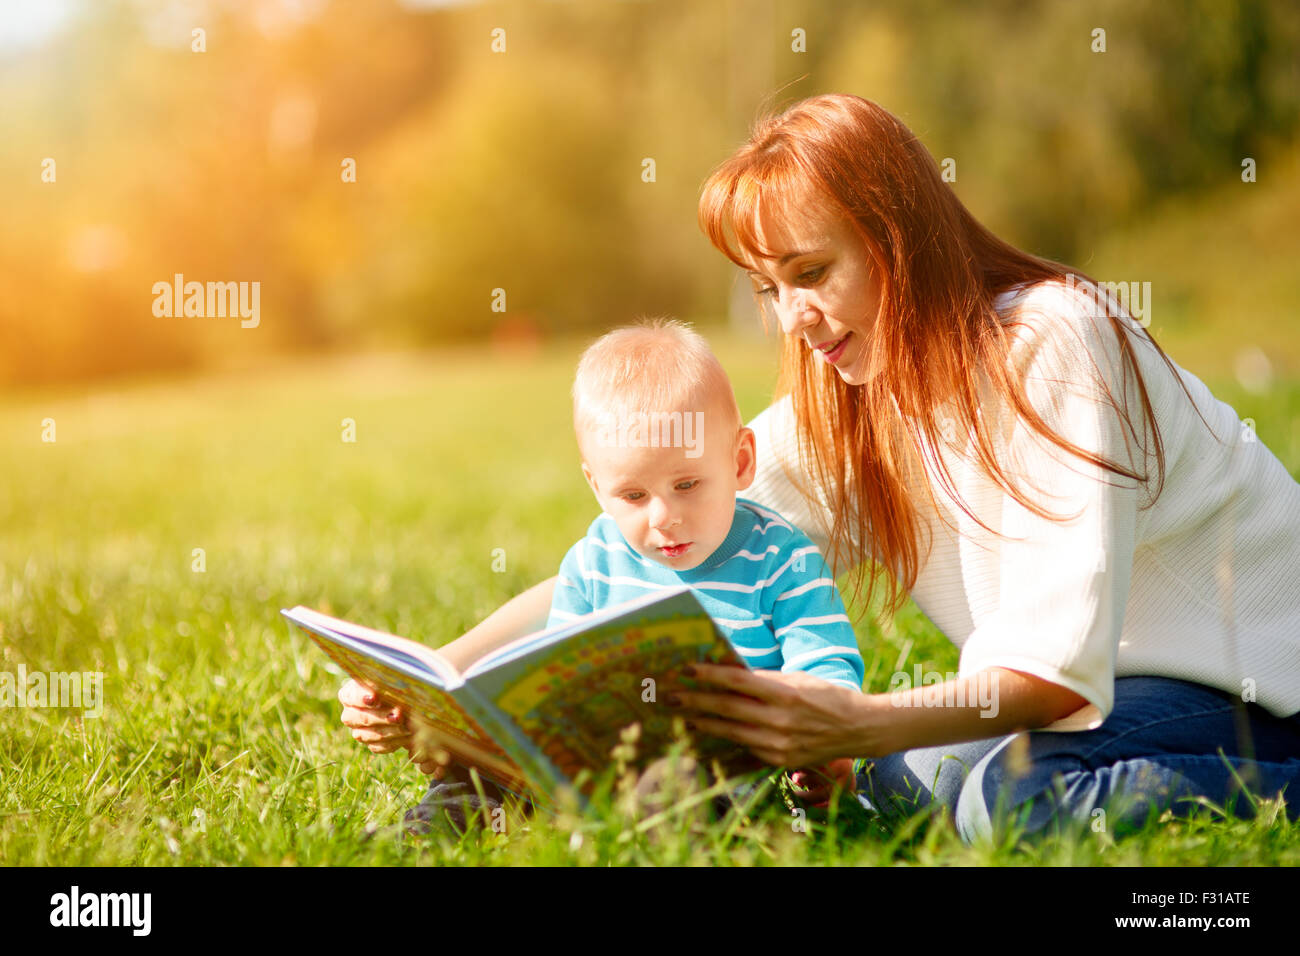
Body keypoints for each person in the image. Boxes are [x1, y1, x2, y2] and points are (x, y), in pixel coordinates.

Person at [345, 93, 1300, 843]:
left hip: (1244, 687)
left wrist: (856, 720)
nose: (793, 317)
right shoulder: (850, 390)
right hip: (1099, 701)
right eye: (768, 288)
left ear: (898, 239)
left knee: (1003, 808)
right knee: (883, 792)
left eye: (811, 273)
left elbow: (1054, 678)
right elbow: (659, 556)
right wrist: (442, 671)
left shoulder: (1056, 343)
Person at [355, 319, 866, 832]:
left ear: (741, 461)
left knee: (672, 786)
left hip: (712, 775)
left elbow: (826, 667)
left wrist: (823, 751)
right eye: (633, 496)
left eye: (687, 484)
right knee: (476, 771)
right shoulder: (596, 556)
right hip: (588, 765)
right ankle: (427, 836)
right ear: (596, 485)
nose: (663, 517)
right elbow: (557, 672)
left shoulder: (782, 561)